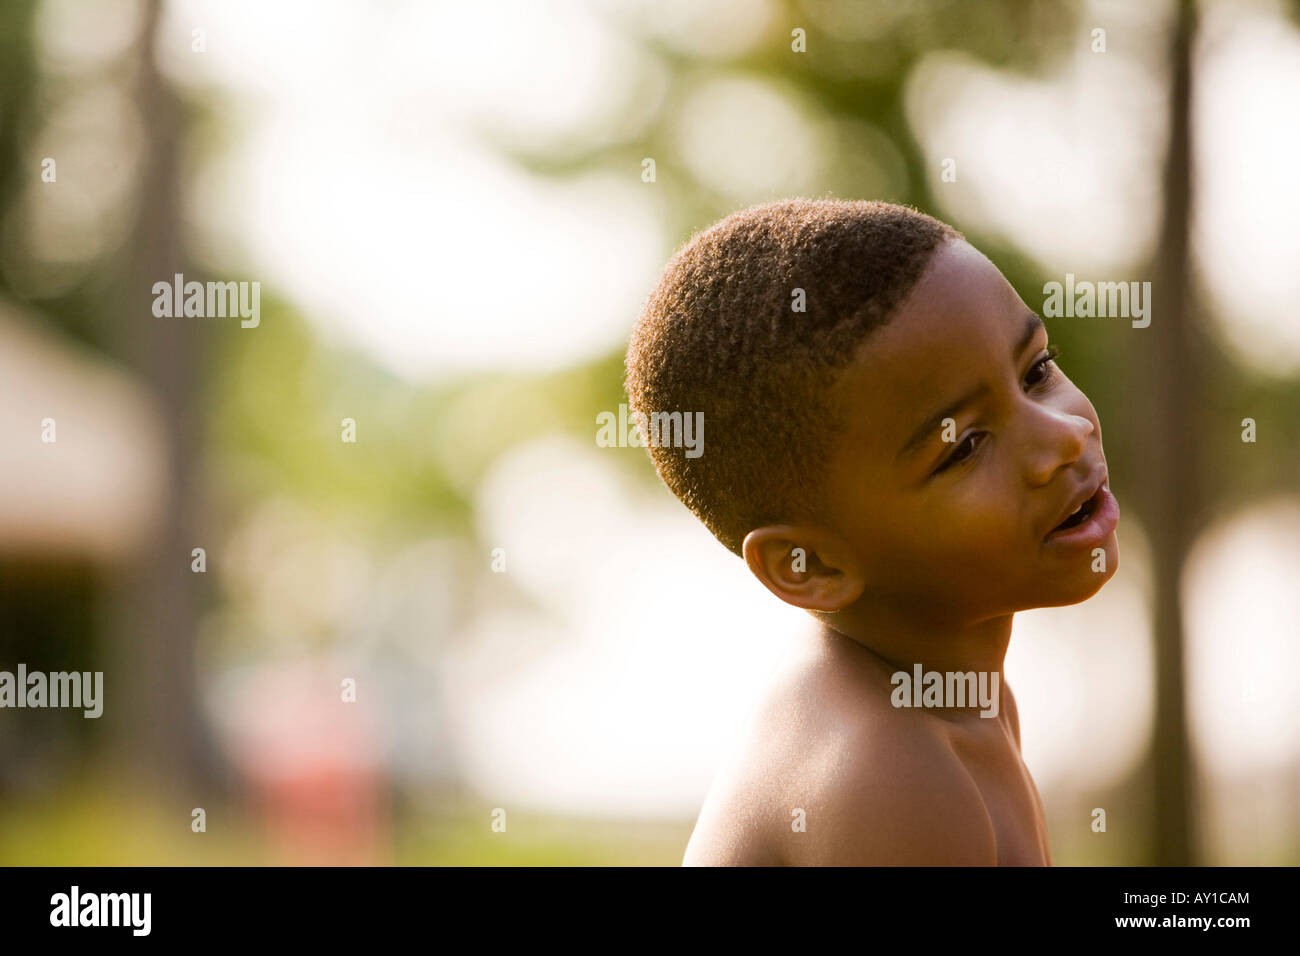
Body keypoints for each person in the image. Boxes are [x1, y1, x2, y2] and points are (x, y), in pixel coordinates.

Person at [624, 199, 1120, 865]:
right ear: (809, 564)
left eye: (1036, 371)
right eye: (965, 446)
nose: (1065, 436)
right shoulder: (890, 778)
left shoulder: (959, 701)